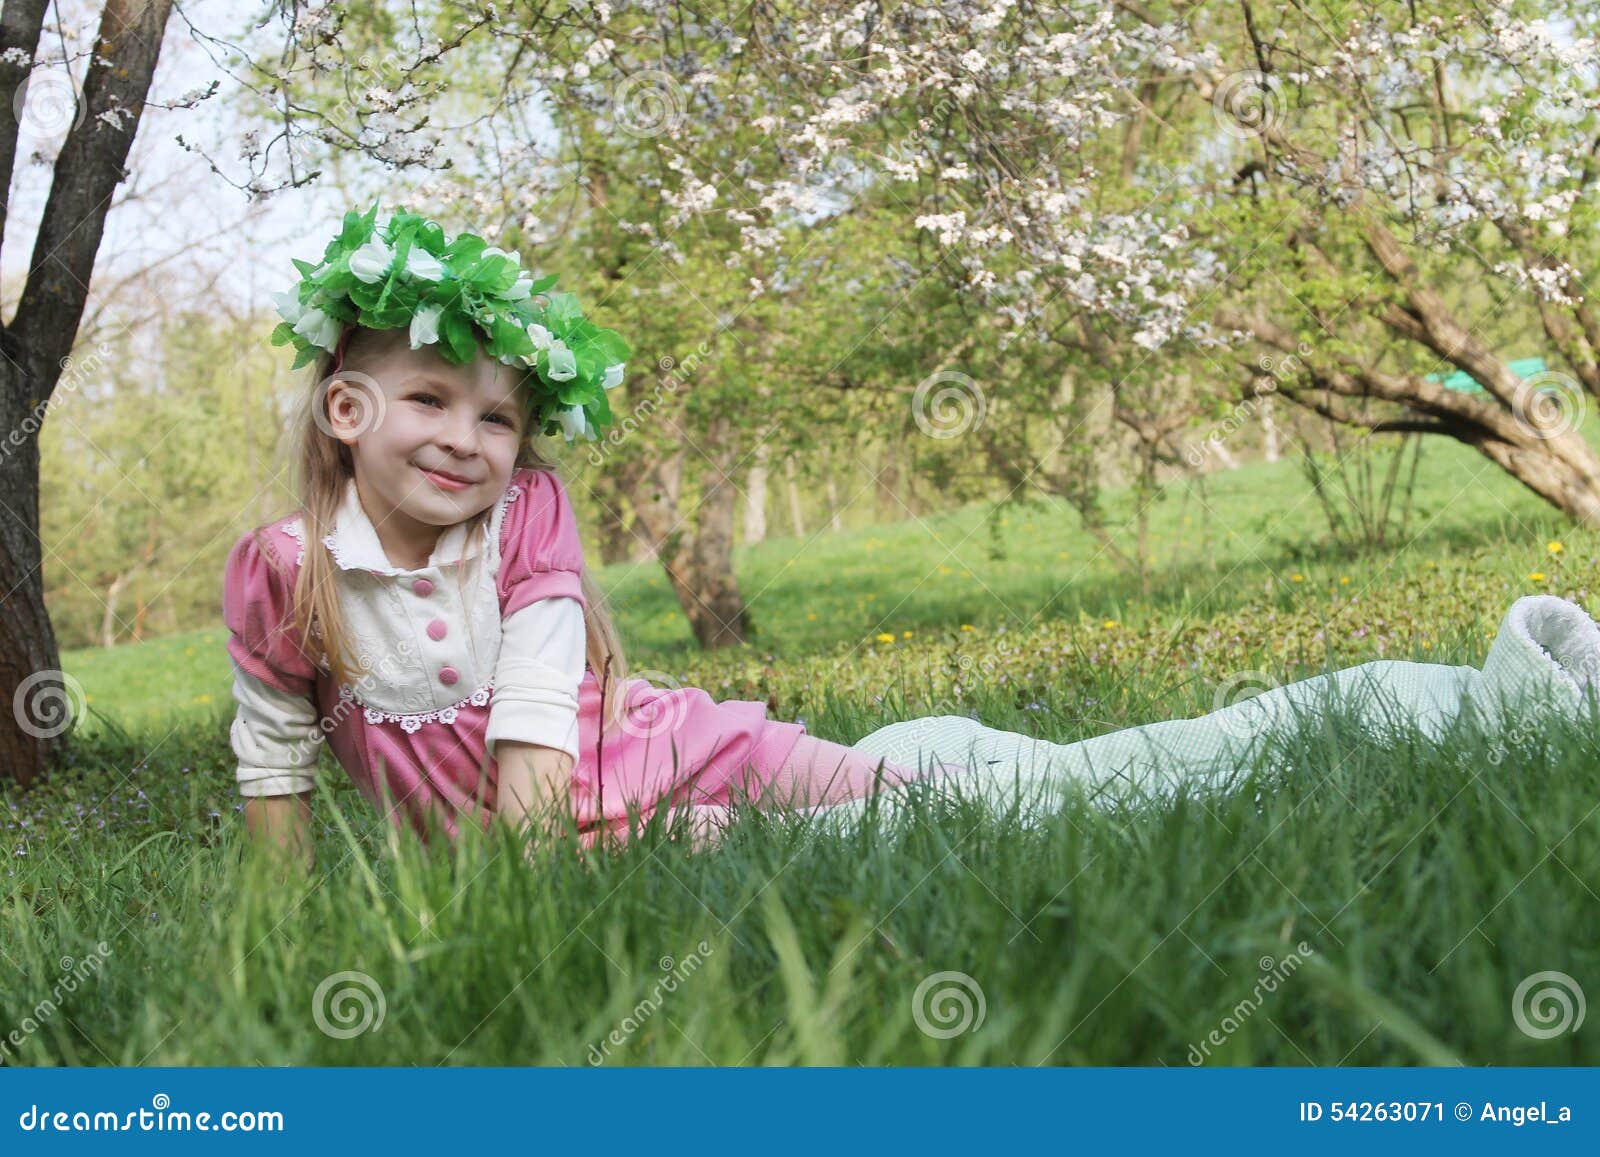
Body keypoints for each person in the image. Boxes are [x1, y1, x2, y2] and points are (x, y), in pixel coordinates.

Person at [225, 202, 953, 869]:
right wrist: (282, 913)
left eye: (496, 418)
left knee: (917, 798)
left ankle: (998, 764)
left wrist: (529, 876)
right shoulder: (284, 567)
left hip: (669, 756)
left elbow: (537, 704)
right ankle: (924, 776)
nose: (462, 440)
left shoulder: (524, 512)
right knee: (747, 842)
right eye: (427, 399)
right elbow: (275, 750)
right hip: (578, 840)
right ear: (347, 410)